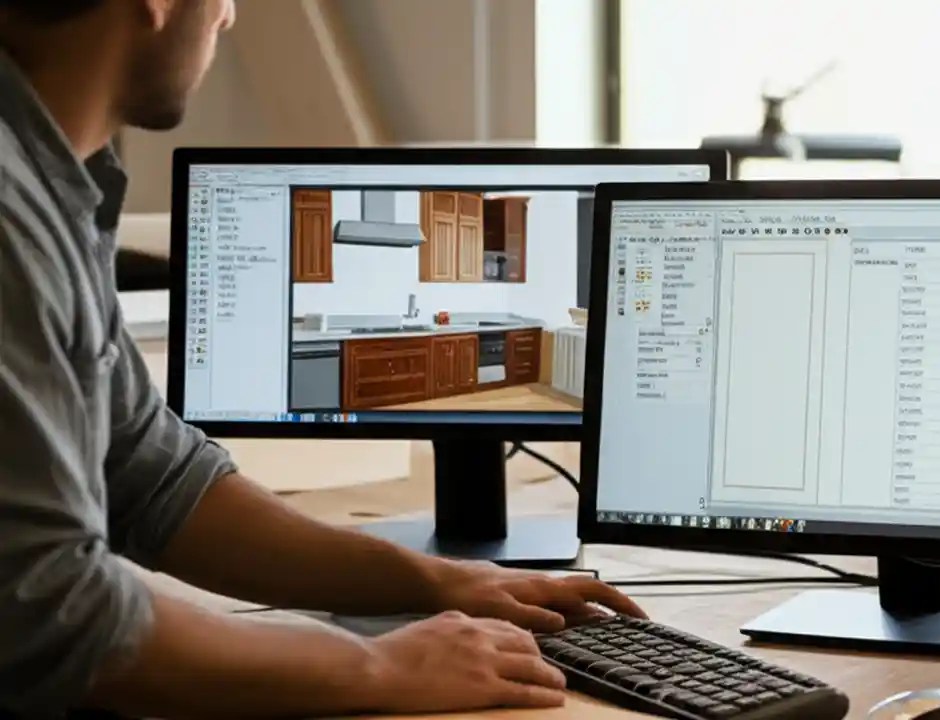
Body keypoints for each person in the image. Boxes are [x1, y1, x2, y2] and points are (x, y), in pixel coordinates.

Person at [0, 1, 645, 717]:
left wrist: (433, 583)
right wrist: (377, 669)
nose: (228, 15)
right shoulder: (9, 213)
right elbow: (52, 610)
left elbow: (154, 479)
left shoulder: (48, 185)